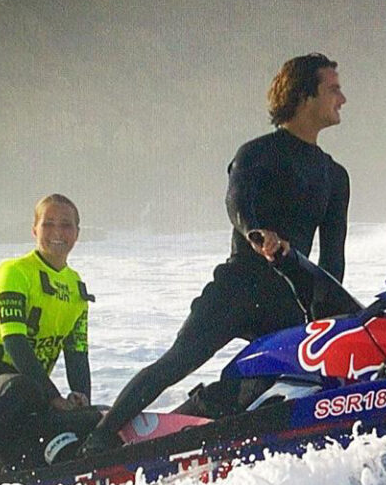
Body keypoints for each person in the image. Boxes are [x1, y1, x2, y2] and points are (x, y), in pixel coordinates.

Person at [80, 53, 350, 454]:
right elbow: (238, 202)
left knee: (289, 379)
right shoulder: (257, 153)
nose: (342, 98)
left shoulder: (334, 175)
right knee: (176, 362)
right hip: (239, 286)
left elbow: (333, 262)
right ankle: (98, 441)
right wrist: (259, 235)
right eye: (333, 89)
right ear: (303, 95)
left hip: (288, 301)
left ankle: (200, 421)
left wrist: (333, 317)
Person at [0, 194, 95, 475]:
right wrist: (54, 396)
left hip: (34, 392)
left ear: (77, 234)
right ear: (34, 230)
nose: (57, 233)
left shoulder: (76, 287)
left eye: (66, 225)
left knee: (90, 413)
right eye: (48, 224)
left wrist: (80, 398)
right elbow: (15, 343)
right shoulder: (14, 272)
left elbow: (77, 354)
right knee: (21, 387)